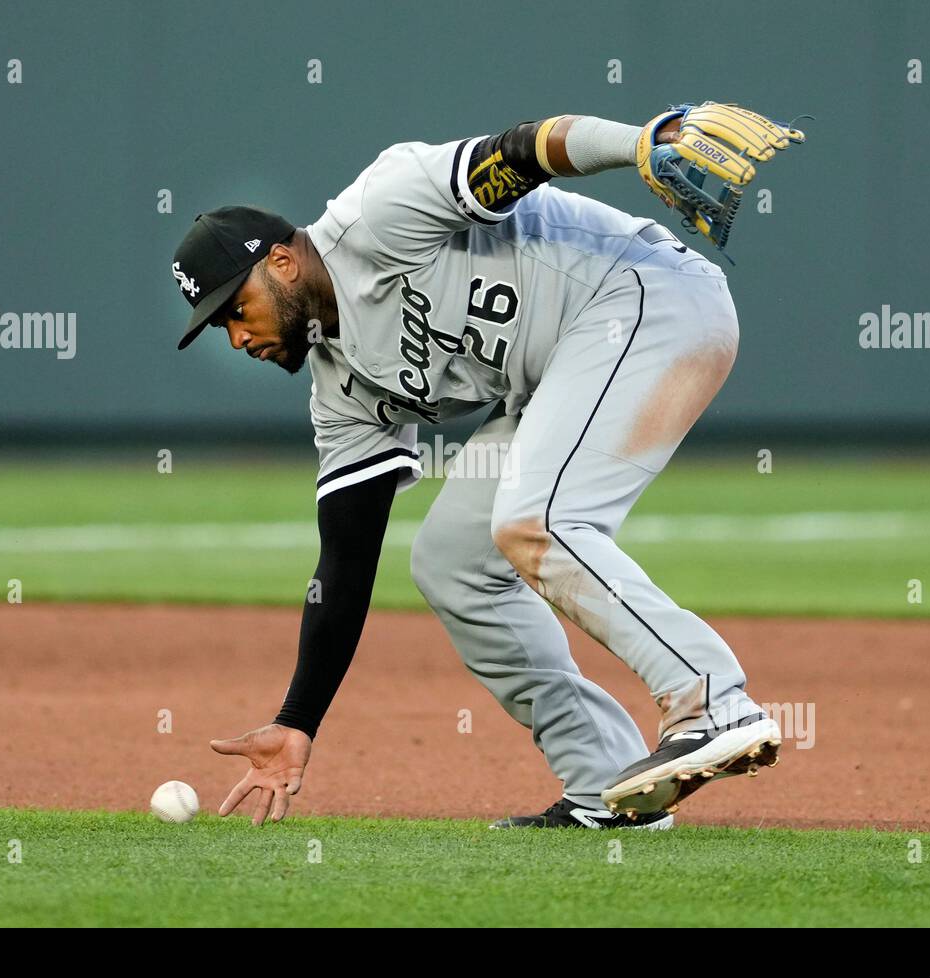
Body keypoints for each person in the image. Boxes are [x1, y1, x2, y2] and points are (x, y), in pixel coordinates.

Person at [169, 104, 803, 829]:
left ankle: (713, 701)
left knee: (538, 521)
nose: (235, 335)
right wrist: (298, 718)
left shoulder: (381, 212)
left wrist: (635, 146)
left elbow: (528, 149)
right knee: (451, 563)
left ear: (280, 259)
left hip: (647, 297)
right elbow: (345, 558)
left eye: (235, 307)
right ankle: (605, 789)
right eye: (218, 324)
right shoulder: (340, 388)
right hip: (560, 370)